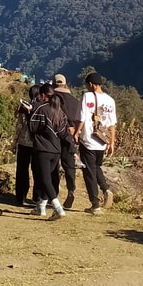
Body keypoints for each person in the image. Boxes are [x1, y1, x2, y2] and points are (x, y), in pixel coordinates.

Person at [27, 83, 68, 220]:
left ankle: (58, 208)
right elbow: (63, 133)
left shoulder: (41, 109)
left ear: (43, 95)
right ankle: (41, 207)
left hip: (43, 149)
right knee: (48, 179)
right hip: (56, 150)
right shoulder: (60, 111)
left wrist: (28, 112)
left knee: (45, 180)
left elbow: (32, 127)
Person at [79, 72, 116, 214]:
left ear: (90, 84)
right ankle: (106, 189)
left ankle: (95, 205)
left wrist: (76, 133)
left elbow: (82, 118)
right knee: (96, 167)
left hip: (88, 140)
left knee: (89, 172)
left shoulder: (87, 96)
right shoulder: (110, 100)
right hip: (102, 141)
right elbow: (112, 124)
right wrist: (111, 143)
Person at [52, 73, 82, 209]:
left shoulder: (53, 99)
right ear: (65, 84)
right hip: (70, 137)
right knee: (69, 165)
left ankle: (53, 195)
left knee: (54, 165)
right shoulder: (75, 101)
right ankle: (71, 190)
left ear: (54, 84)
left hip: (55, 136)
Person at [12, 85, 41, 206]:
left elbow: (19, 126)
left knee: (22, 170)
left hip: (23, 143)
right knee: (38, 170)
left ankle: (21, 196)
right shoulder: (42, 109)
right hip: (38, 144)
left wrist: (14, 143)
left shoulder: (23, 108)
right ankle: (37, 197)